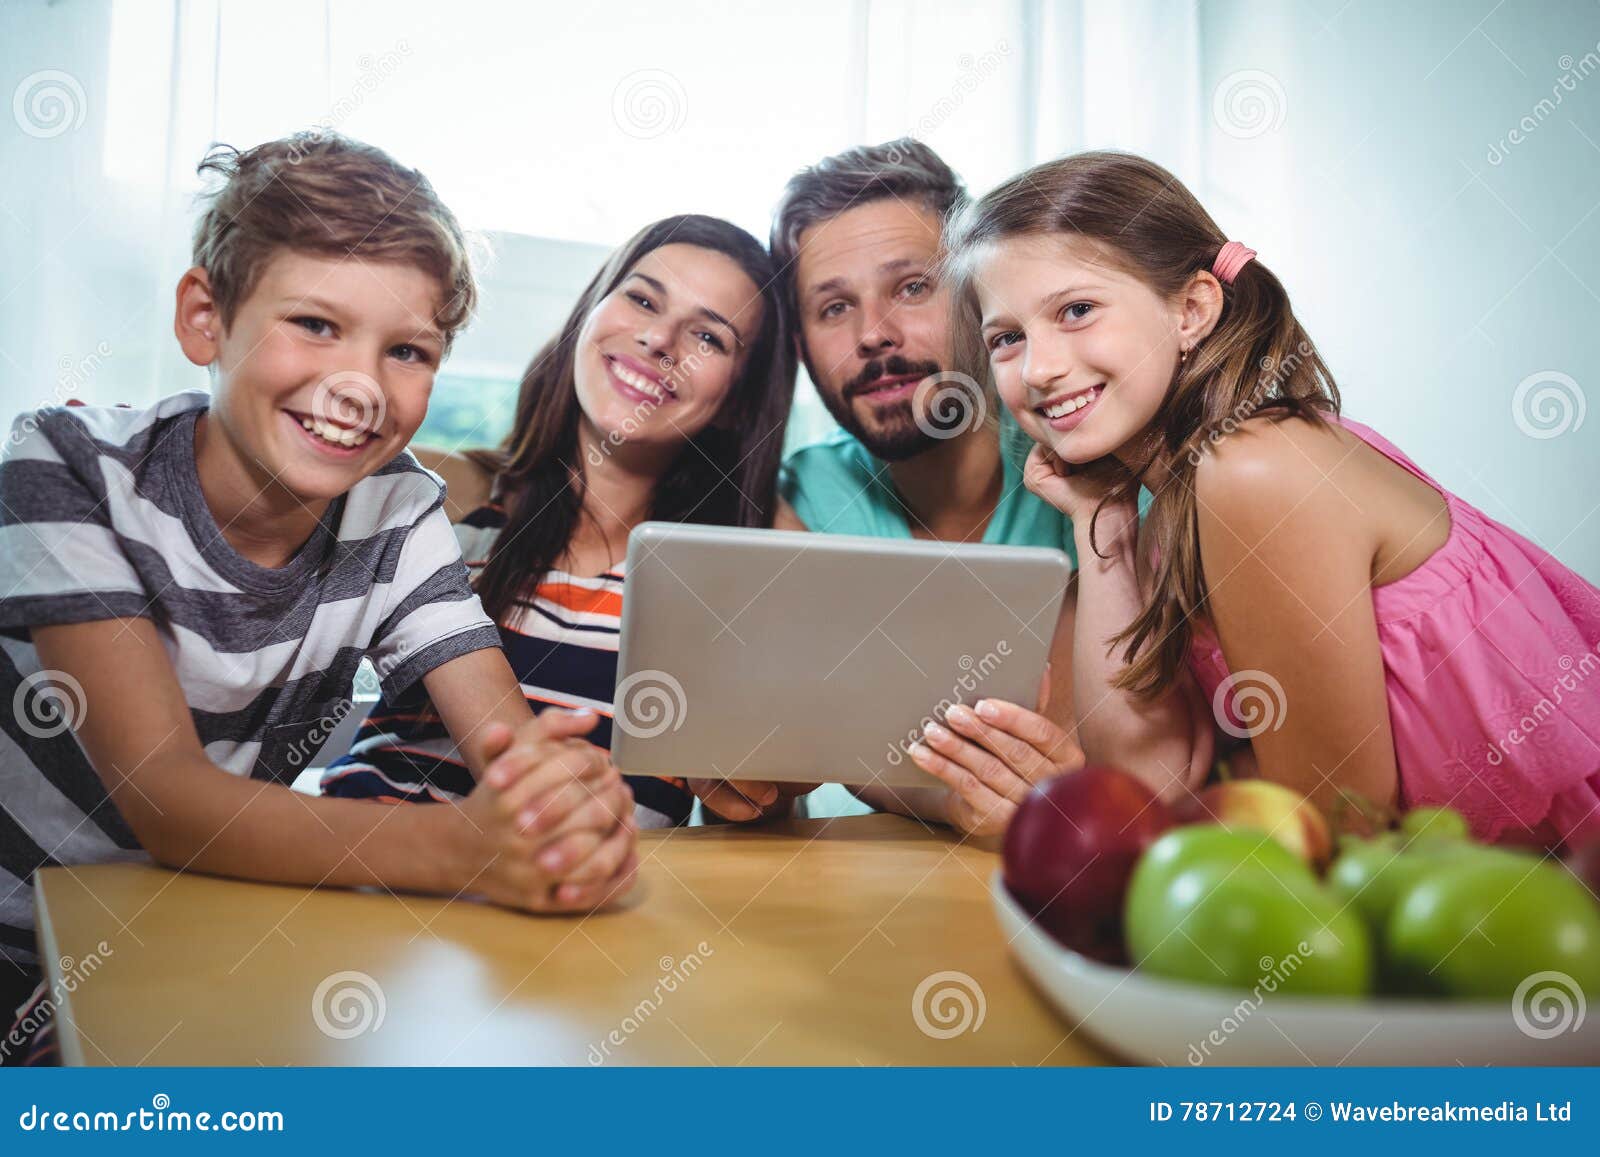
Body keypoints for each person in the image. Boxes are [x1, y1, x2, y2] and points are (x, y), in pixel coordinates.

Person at [0, 134, 635, 1063]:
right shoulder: (63, 466)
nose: (358, 386)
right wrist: (465, 850)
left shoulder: (398, 507)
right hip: (20, 944)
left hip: (195, 934)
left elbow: (508, 746)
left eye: (408, 349)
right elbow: (167, 799)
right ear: (205, 318)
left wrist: (555, 806)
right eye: (315, 324)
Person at [947, 148, 1600, 846]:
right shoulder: (1176, 493)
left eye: (1077, 310)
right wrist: (1097, 517)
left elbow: (1331, 826)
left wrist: (1082, 835)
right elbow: (1147, 778)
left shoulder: (1254, 472)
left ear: (1193, 308)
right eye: (1008, 338)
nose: (1041, 368)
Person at [322, 215, 805, 826]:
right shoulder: (444, 496)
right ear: (590, 313)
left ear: (739, 398)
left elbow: (768, 814)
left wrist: (762, 781)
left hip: (594, 902)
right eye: (641, 298)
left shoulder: (748, 567)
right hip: (364, 876)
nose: (660, 340)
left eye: (709, 338)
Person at [769, 139, 1085, 836]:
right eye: (832, 308)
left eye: (912, 287)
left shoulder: (1085, 468)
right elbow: (827, 737)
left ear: (978, 295)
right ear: (799, 347)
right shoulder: (794, 496)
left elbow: (1082, 757)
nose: (874, 335)